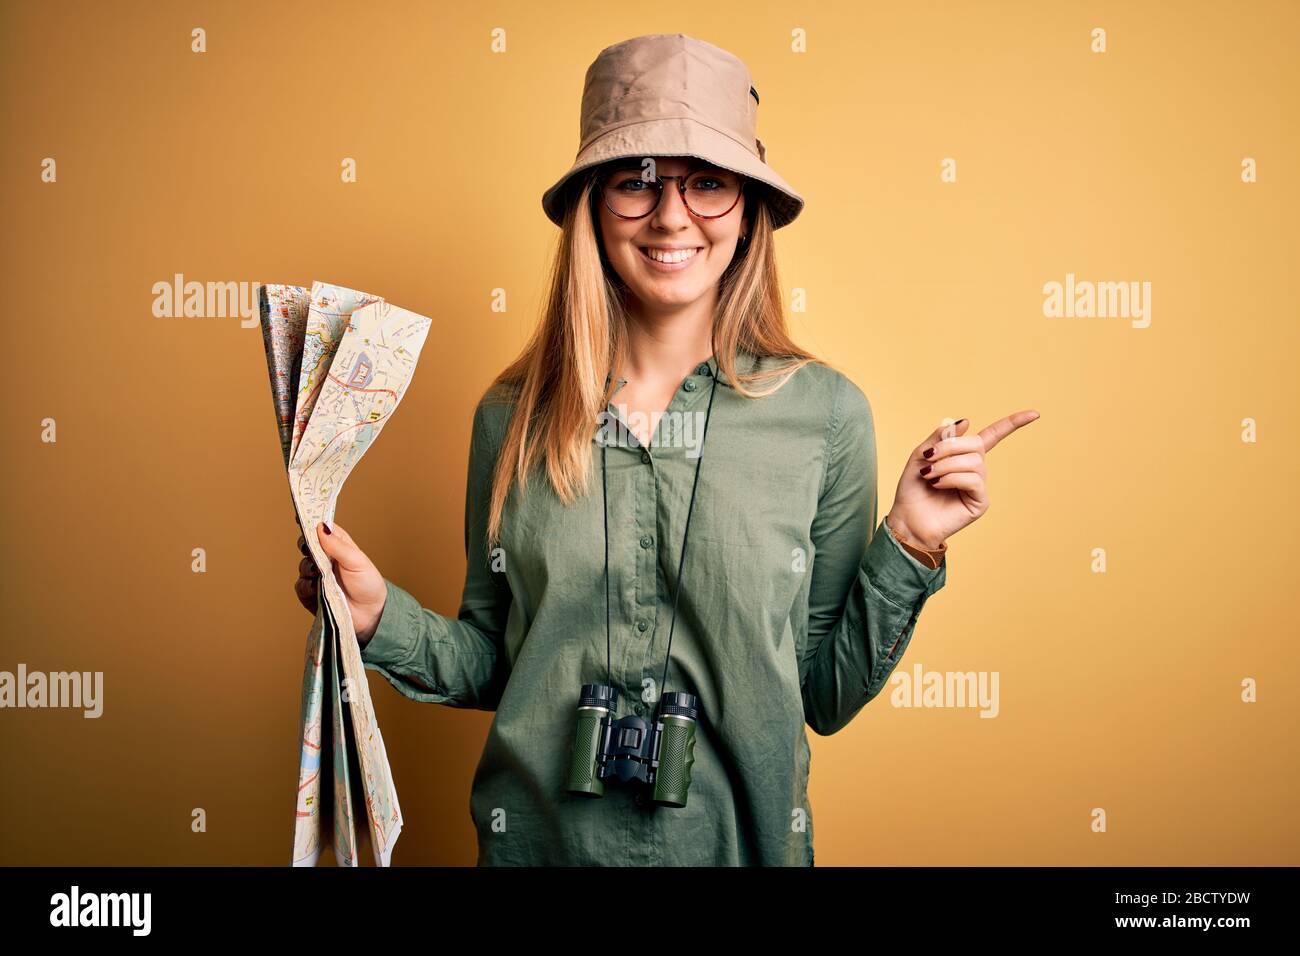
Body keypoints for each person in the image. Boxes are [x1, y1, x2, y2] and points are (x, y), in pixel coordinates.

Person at [294, 33, 1038, 866]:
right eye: (636, 182)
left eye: (709, 184)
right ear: (592, 206)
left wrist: (910, 541)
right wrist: (375, 618)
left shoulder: (827, 416)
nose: (673, 215)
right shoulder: (510, 417)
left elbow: (822, 695)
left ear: (749, 212)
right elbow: (498, 666)